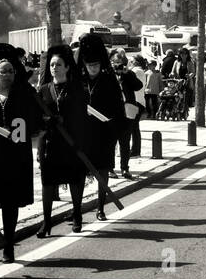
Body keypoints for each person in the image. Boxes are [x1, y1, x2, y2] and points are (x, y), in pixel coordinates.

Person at [0, 43, 42, 263]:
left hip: (15, 159)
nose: (5, 74)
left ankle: (8, 245)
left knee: (9, 204)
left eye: (9, 70)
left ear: (15, 74)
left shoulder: (24, 97)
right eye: (1, 71)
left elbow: (35, 124)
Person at [36, 45, 89, 236]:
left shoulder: (77, 90)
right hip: (49, 144)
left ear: (67, 67)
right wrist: (45, 120)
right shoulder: (43, 90)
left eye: (58, 64)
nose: (54, 68)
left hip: (71, 143)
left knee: (75, 180)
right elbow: (36, 118)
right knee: (48, 183)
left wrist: (67, 121)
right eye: (51, 65)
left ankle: (77, 215)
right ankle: (47, 222)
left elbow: (83, 117)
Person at [80, 35, 125, 220]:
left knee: (103, 170)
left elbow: (117, 106)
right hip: (83, 132)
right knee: (80, 172)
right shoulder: (79, 80)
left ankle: (100, 208)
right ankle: (78, 209)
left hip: (104, 132)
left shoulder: (109, 80)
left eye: (96, 65)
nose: (93, 68)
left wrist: (112, 124)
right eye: (89, 65)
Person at [111, 49, 143, 180]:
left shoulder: (128, 74)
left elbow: (138, 86)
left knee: (125, 142)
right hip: (112, 113)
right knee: (111, 143)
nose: (116, 65)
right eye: (113, 62)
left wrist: (127, 74)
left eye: (118, 62)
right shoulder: (107, 75)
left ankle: (125, 168)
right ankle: (110, 169)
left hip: (127, 112)